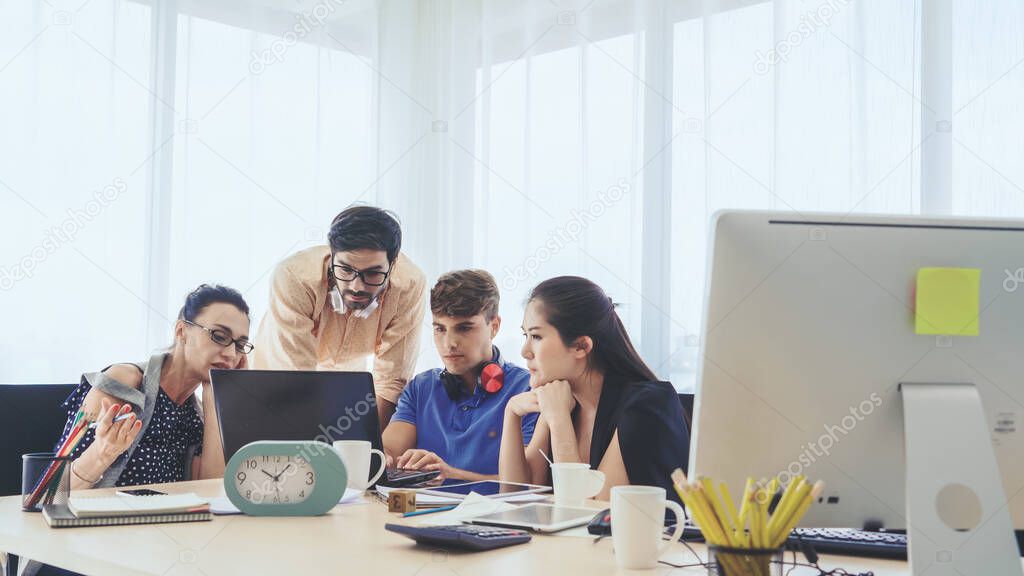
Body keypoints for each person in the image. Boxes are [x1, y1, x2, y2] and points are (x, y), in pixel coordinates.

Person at [498, 276, 690, 501]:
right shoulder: (561, 399)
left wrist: (559, 420)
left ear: (581, 346)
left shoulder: (647, 405)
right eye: (526, 335)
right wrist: (511, 413)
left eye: (536, 336)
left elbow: (591, 511)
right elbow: (515, 496)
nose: (524, 351)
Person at [54, 284, 251, 490]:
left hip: (166, 513)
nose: (231, 354)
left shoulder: (197, 416)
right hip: (105, 512)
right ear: (182, 331)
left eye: (239, 345)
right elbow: (54, 491)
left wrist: (219, 400)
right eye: (219, 336)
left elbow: (210, 493)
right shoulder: (124, 382)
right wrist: (100, 454)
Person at [252, 206, 425, 429]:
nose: (357, 286)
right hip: (281, 379)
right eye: (346, 270)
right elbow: (296, 379)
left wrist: (373, 445)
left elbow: (391, 383)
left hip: (346, 381)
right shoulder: (295, 277)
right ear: (331, 255)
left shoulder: (409, 285)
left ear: (393, 265)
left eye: (373, 273)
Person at [383, 270, 537, 481]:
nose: (449, 344)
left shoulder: (528, 389)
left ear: (494, 327)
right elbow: (389, 452)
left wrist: (451, 474)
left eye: (464, 328)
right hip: (422, 505)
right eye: (440, 329)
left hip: (494, 505)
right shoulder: (420, 388)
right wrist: (382, 458)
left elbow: (527, 483)